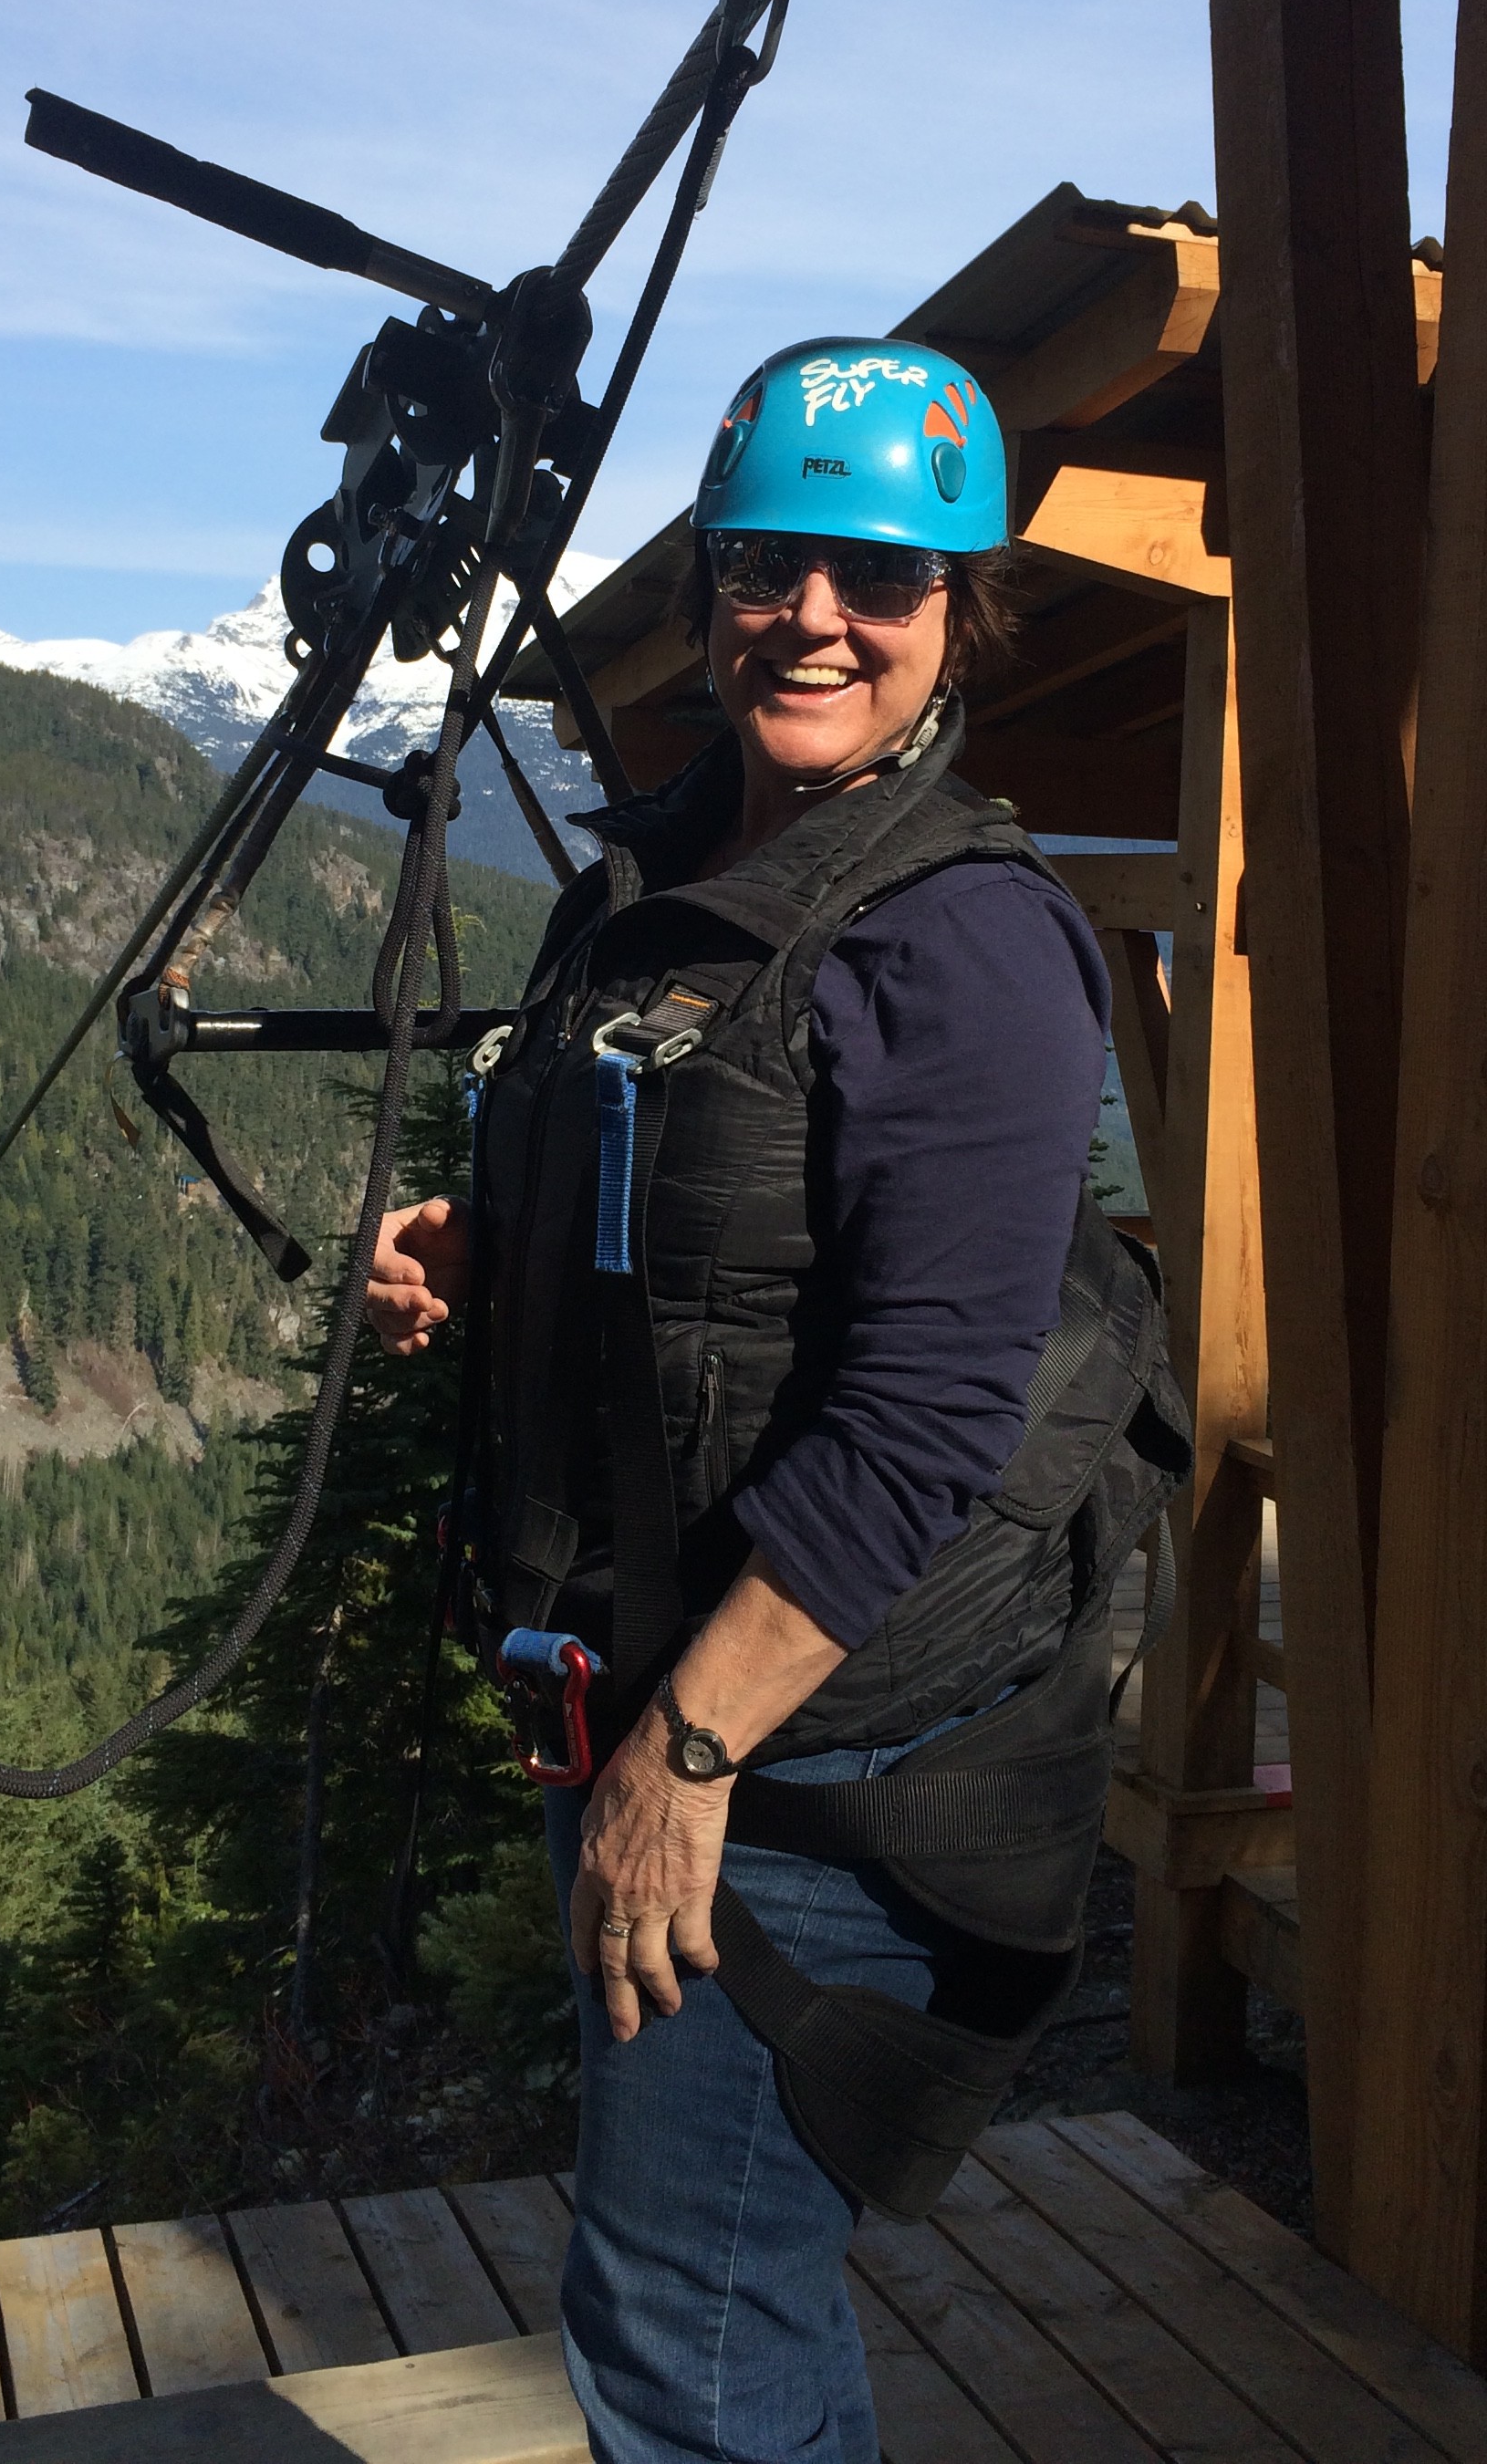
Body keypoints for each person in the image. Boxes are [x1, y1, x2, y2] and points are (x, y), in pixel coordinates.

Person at [368, 339, 1186, 2464]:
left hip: (796, 1758)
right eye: (771, 564)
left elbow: (923, 1411)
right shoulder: (659, 885)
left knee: (694, 2334)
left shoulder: (969, 943)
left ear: (954, 619)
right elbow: (721, 1225)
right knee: (680, 2284)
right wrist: (494, 1252)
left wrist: (688, 1752)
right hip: (666, 1702)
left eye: (878, 579)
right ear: (719, 576)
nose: (813, 614)